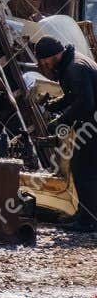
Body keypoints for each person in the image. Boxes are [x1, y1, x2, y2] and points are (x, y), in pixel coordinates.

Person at [36, 35, 97, 231]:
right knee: (85, 167)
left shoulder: (75, 68)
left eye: (44, 60)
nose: (44, 65)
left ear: (53, 55)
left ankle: (88, 220)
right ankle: (86, 214)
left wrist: (60, 121)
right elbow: (74, 95)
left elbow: (85, 103)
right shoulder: (73, 62)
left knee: (83, 167)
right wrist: (55, 105)